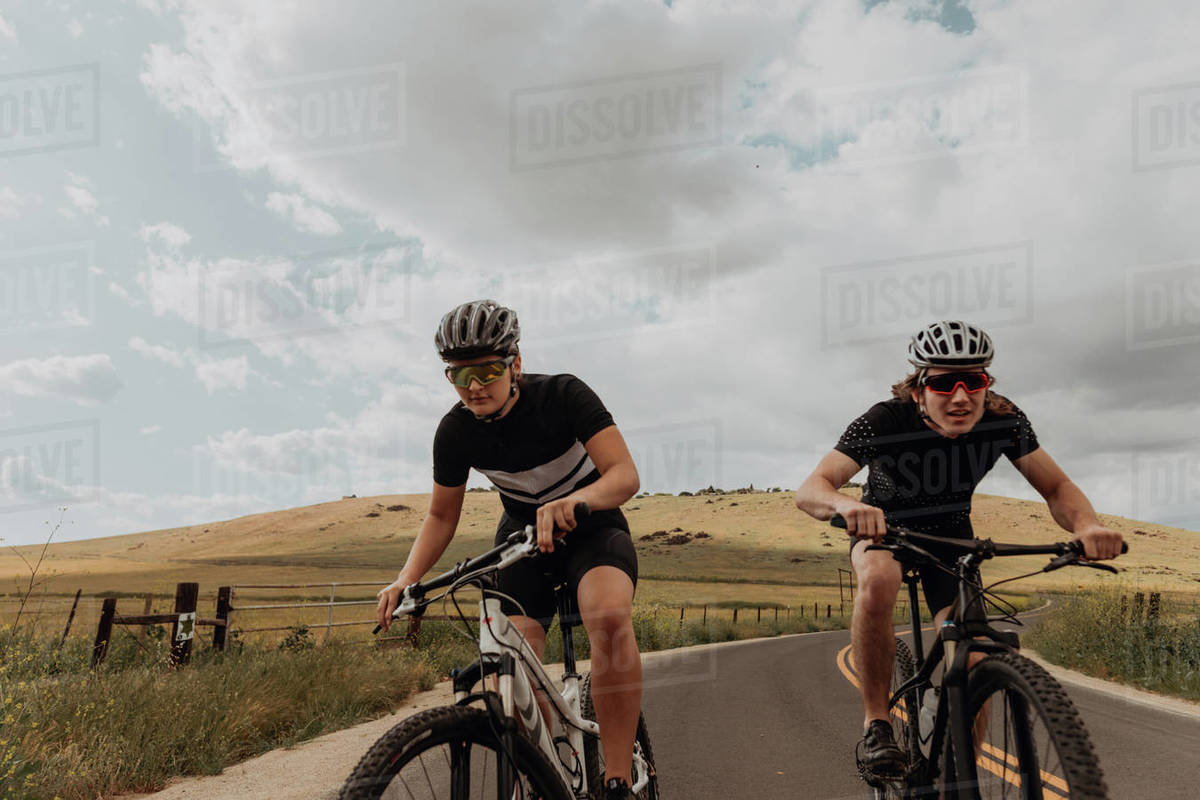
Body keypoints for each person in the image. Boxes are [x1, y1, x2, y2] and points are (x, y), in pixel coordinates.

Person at [793, 319, 1124, 777]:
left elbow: (1057, 486)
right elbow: (811, 488)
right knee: (879, 581)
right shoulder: (885, 420)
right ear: (919, 389)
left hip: (952, 537)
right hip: (885, 530)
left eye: (976, 381)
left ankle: (956, 777)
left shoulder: (1004, 419)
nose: (962, 396)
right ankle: (877, 724)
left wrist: (1087, 525)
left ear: (987, 384)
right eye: (946, 383)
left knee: (974, 655)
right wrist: (845, 505)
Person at [375, 299, 644, 800]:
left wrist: (575, 501)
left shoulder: (563, 394)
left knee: (607, 615)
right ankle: (543, 770)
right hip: (521, 537)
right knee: (510, 654)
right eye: (459, 375)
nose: (474, 386)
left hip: (592, 524)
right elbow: (441, 515)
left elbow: (624, 475)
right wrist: (405, 577)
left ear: (515, 363)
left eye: (488, 370)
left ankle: (617, 778)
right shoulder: (454, 431)